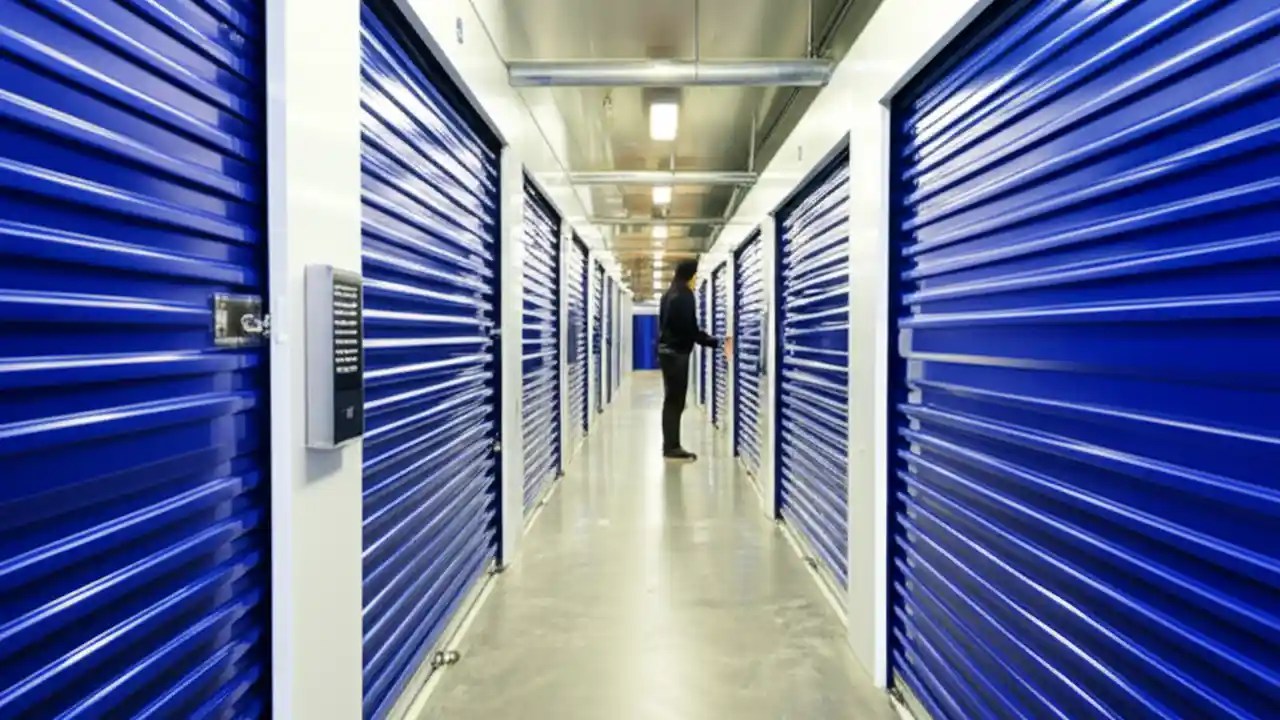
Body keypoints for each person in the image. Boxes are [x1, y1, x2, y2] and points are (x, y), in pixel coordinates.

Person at [657, 259, 730, 461]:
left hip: (667, 352)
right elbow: (689, 329)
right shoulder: (684, 295)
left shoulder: (668, 294)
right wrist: (715, 342)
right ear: (690, 275)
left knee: (672, 400)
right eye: (696, 275)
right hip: (676, 354)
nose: (696, 279)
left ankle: (670, 445)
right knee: (675, 402)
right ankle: (671, 447)